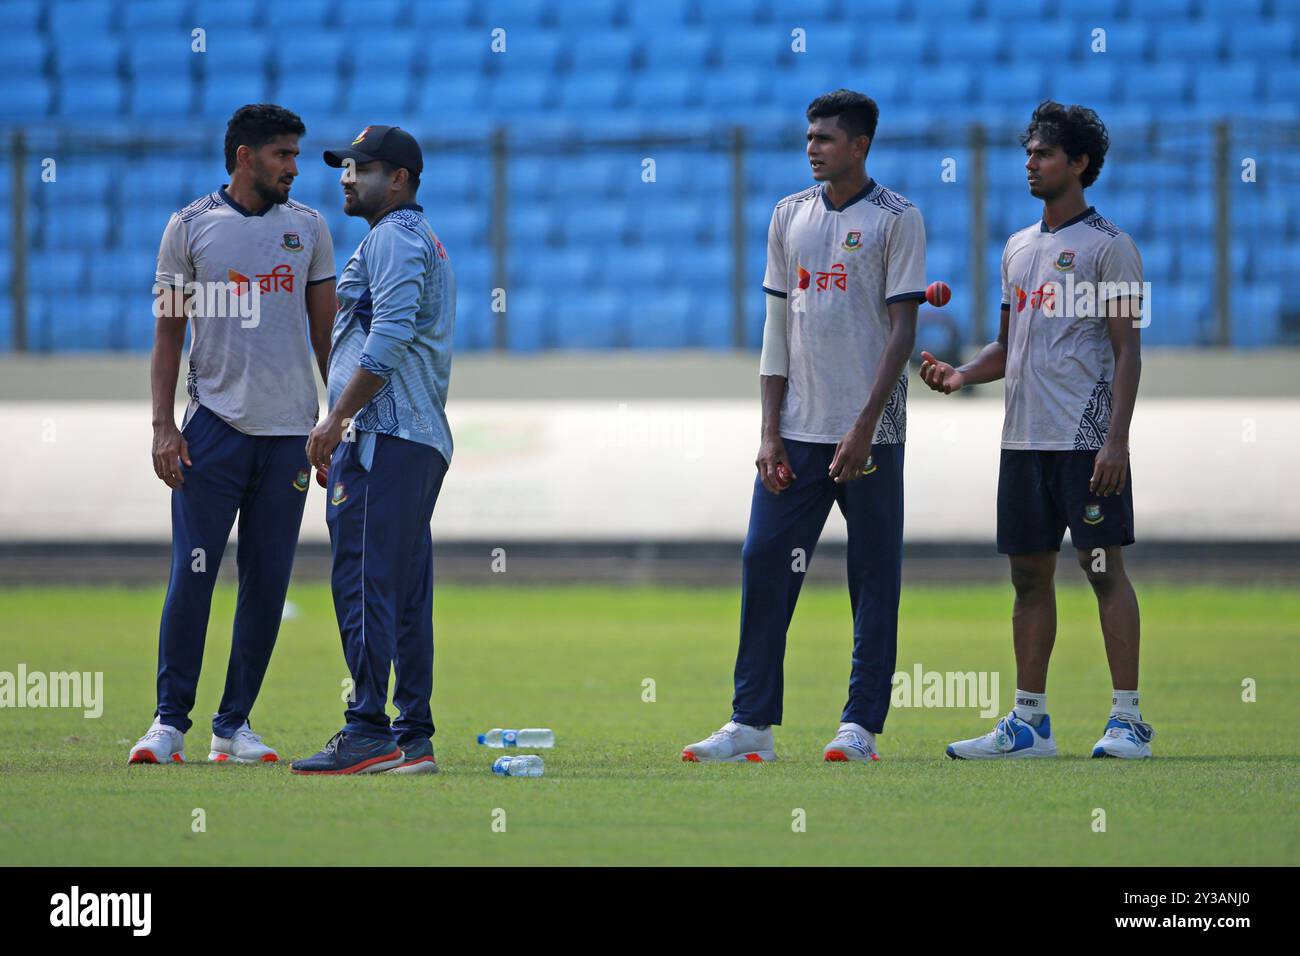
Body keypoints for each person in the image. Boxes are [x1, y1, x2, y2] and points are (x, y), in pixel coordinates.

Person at [682, 90, 925, 763]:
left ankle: (859, 726)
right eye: (809, 136)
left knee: (873, 577)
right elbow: (775, 333)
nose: (812, 145)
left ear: (860, 146)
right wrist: (768, 432)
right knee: (764, 562)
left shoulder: (898, 219)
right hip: (796, 431)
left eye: (825, 137)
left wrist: (863, 427)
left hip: (871, 438)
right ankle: (751, 723)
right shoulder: (789, 215)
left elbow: (903, 332)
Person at [919, 101, 1152, 759]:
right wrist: (963, 375)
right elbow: (1006, 345)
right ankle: (1030, 725)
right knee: (1028, 576)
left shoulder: (1112, 247)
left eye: (1043, 154)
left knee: (1102, 567)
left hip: (1086, 441)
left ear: (1078, 164)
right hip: (1022, 440)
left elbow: (1129, 350)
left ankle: (1128, 719)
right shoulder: (1018, 249)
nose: (1030, 163)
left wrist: (1117, 441)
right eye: (1027, 153)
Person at [130, 104, 337, 765]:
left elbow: (326, 335)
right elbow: (167, 335)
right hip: (212, 428)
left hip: (289, 437)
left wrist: (338, 421)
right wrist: (164, 426)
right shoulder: (189, 228)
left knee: (268, 580)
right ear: (245, 157)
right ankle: (168, 724)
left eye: (296, 156)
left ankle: (233, 726)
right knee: (191, 575)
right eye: (282, 155)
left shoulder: (310, 229)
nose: (294, 168)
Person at [291, 125, 455, 776]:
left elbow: (384, 341)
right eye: (345, 166)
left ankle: (367, 730)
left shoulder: (391, 240)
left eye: (362, 168)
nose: (346, 177)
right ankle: (411, 735)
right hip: (414, 437)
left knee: (364, 582)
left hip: (383, 437)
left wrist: (337, 419)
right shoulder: (416, 240)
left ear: (402, 179)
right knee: (404, 590)